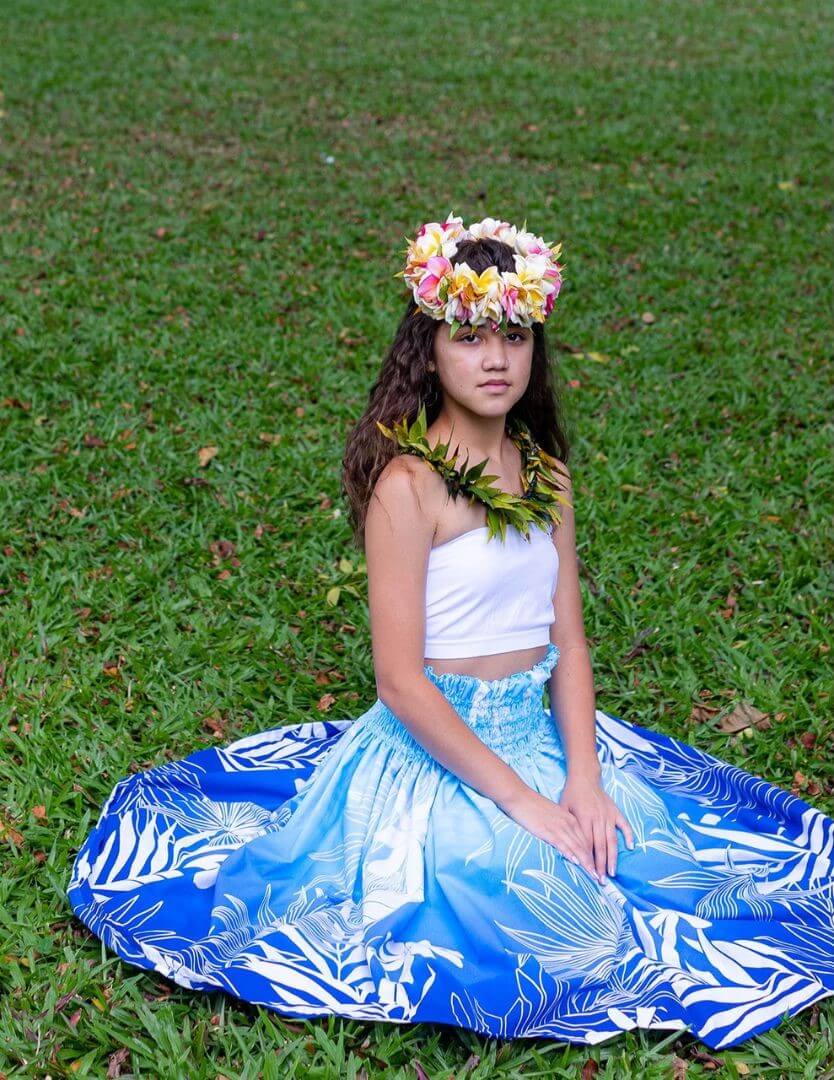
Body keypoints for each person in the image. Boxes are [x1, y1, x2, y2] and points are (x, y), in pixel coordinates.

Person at [67, 213, 834, 1050]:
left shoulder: (547, 475)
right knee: (535, 898)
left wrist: (581, 778)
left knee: (648, 860)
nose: (496, 358)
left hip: (535, 735)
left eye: (513, 334)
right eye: (469, 337)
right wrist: (520, 801)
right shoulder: (410, 487)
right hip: (437, 752)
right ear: (430, 349)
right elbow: (399, 681)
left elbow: (567, 643)